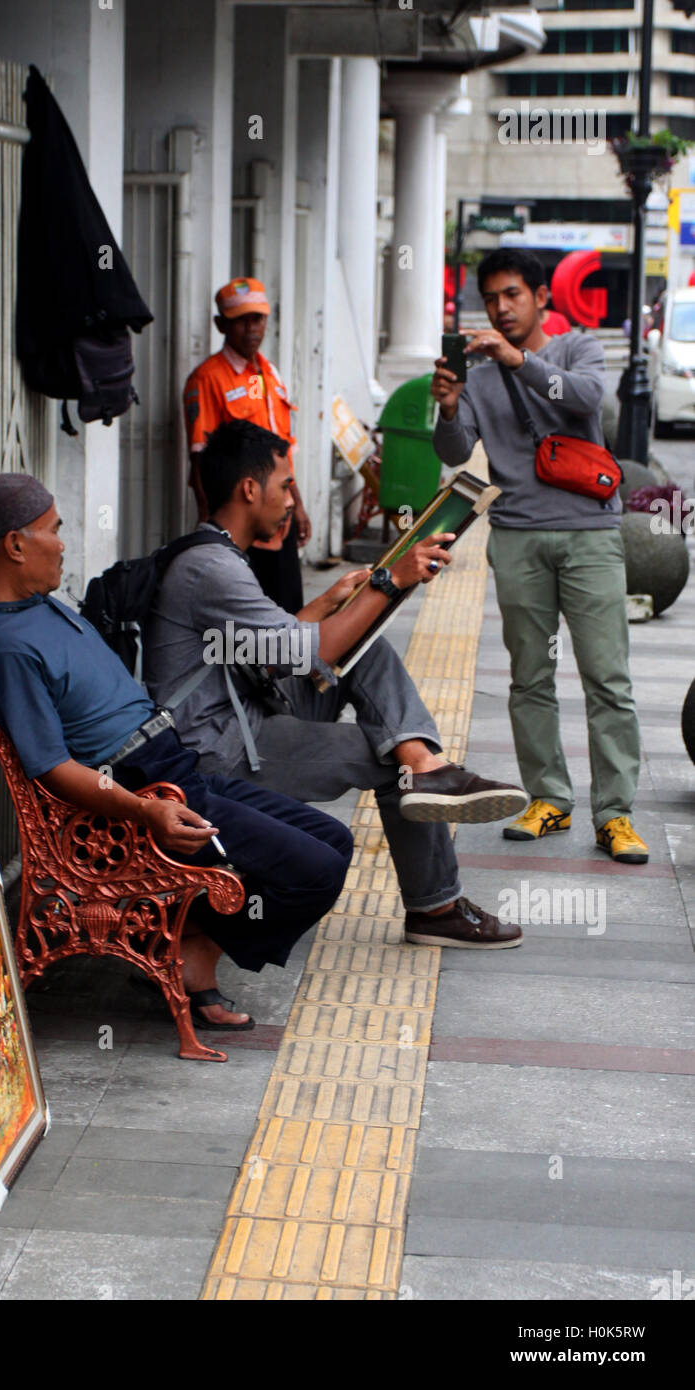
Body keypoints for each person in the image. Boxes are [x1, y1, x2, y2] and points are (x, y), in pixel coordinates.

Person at [0, 473, 354, 1030]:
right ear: (16, 546)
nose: (64, 543)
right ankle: (188, 953)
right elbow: (51, 767)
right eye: (54, 531)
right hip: (141, 789)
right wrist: (147, 811)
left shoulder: (35, 604)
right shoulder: (4, 648)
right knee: (314, 871)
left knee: (335, 839)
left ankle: (174, 941)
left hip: (172, 762)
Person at [144, 419, 529, 950]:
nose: (290, 500)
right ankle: (434, 901)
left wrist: (330, 605)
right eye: (285, 485)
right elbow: (309, 652)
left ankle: (425, 765)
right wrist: (390, 580)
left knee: (368, 649)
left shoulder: (215, 556)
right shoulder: (211, 568)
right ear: (249, 489)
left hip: (247, 714)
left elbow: (269, 654)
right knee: (387, 753)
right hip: (220, 752)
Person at [430, 246, 647, 863]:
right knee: (530, 678)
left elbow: (583, 399)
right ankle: (548, 797)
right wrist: (447, 404)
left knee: (608, 678)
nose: (500, 309)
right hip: (518, 536)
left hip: (590, 535)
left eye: (512, 296)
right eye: (491, 298)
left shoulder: (578, 346)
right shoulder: (475, 371)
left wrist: (518, 361)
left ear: (540, 297)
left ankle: (616, 814)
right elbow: (453, 451)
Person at [183, 277, 309, 611]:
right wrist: (215, 537)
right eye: (240, 319)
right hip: (242, 529)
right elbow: (200, 465)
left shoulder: (269, 374)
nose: (251, 328)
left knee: (288, 613)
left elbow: (283, 451)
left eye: (258, 318)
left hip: (278, 522)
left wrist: (298, 504)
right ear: (220, 324)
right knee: (249, 625)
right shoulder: (207, 378)